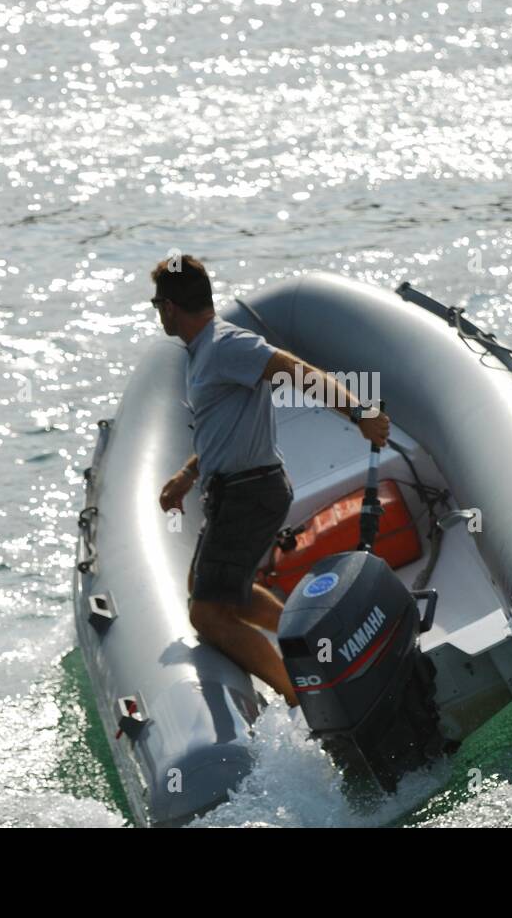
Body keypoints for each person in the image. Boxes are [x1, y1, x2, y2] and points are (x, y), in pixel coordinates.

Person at [153, 254, 390, 707]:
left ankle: (302, 698)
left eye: (156, 304)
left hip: (249, 492)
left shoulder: (224, 343)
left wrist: (359, 412)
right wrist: (187, 475)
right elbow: (223, 428)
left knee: (206, 613)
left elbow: (294, 370)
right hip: (235, 491)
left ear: (168, 306)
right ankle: (318, 645)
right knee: (216, 593)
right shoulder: (203, 351)